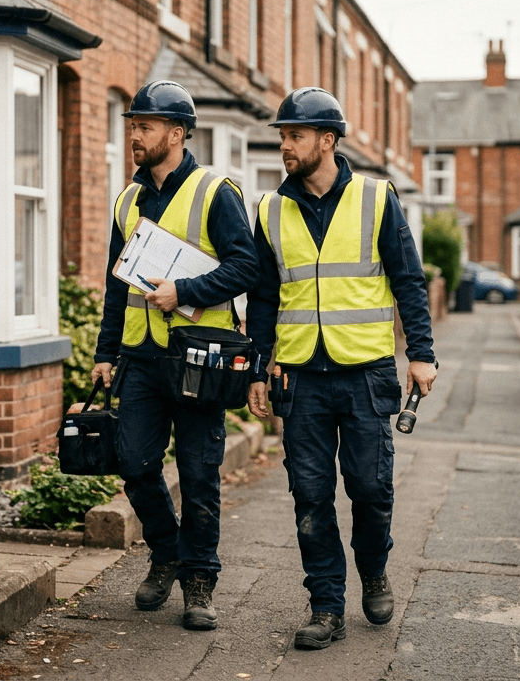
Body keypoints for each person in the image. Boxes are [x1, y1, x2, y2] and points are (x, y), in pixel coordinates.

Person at [246, 87, 437, 650]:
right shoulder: (271, 209)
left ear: (327, 140)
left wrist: (421, 353)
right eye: (283, 136)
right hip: (300, 375)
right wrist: (256, 367)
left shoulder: (376, 199)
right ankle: (326, 606)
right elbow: (263, 296)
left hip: (365, 372)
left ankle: (373, 571)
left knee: (371, 489)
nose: (285, 146)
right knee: (310, 495)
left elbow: (408, 280)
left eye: (296, 136)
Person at [91, 80, 258, 630]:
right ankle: (166, 553)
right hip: (140, 358)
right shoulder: (127, 200)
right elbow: (116, 284)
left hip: (198, 359)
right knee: (135, 465)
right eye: (133, 126)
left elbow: (246, 267)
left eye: (145, 126)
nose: (135, 135)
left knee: (199, 474)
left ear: (178, 133)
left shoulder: (216, 193)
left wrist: (183, 292)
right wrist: (105, 353)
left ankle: (199, 580)